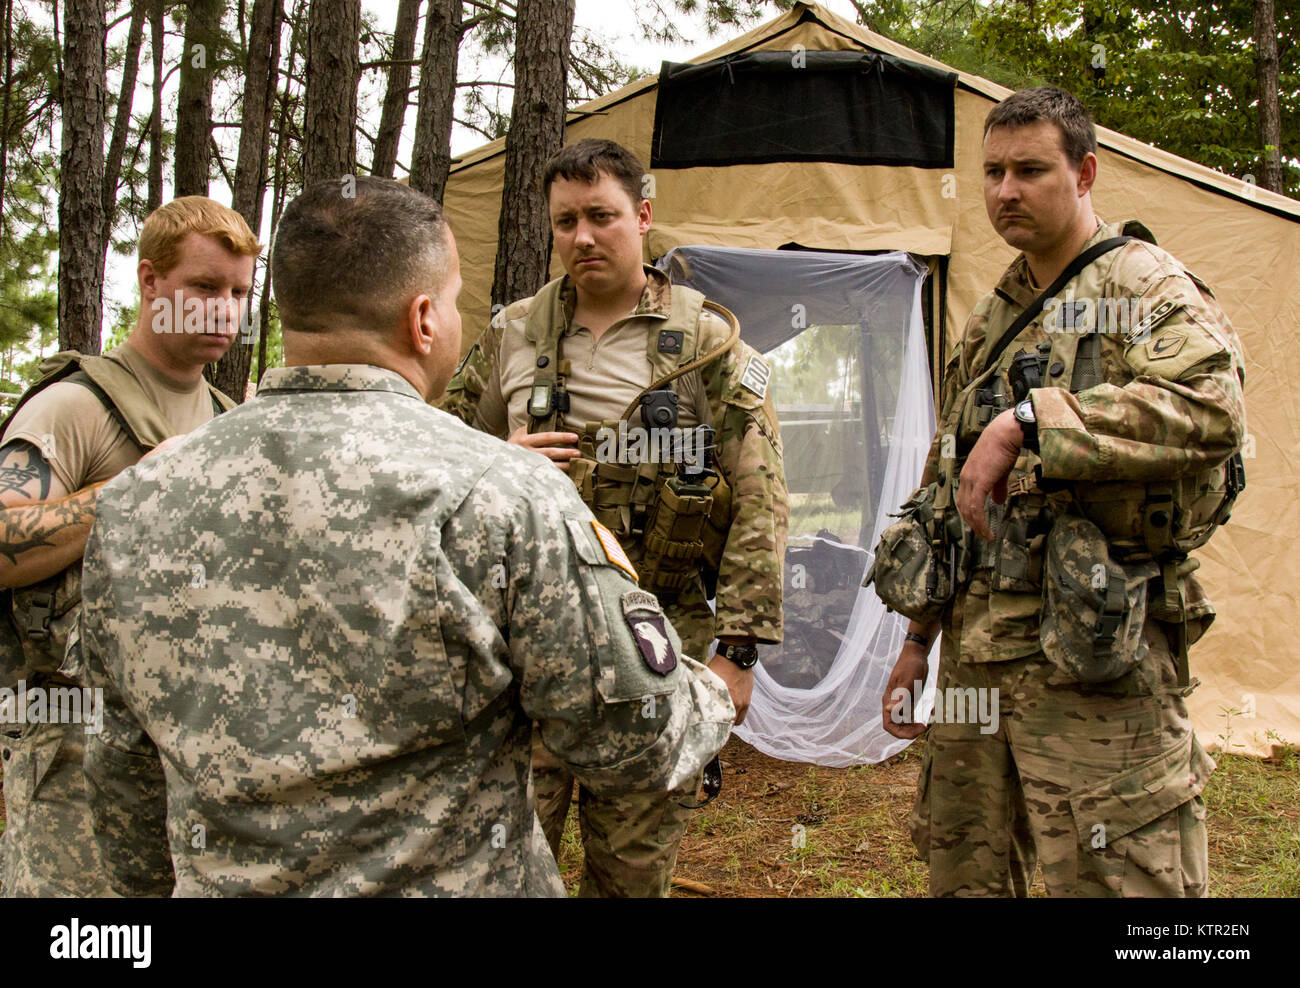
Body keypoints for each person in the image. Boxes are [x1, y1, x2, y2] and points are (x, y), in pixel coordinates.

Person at [73, 175, 734, 897]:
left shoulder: (138, 505)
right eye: (452, 302)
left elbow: (123, 791)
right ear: (424, 320)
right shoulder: (500, 491)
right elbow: (635, 740)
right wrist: (716, 694)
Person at [880, 86, 1246, 897]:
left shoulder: (1142, 284)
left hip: (1093, 667)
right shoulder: (991, 316)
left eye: (1031, 170)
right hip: (978, 669)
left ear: (1084, 173)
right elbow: (952, 490)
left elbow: (1213, 408)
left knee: (1122, 887)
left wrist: (1033, 420)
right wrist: (916, 643)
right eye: (993, 172)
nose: (1006, 190)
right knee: (967, 876)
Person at [441, 138, 787, 897]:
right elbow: (432, 457)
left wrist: (739, 650)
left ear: (643, 215)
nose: (583, 237)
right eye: (565, 222)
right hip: (522, 654)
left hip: (653, 649)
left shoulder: (707, 343)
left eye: (601, 215)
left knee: (631, 875)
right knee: (496, 870)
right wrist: (502, 455)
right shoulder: (513, 333)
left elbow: (761, 498)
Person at [0, 196, 259, 896]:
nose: (224, 311)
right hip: (74, 743)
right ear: (150, 283)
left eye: (239, 293)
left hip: (193, 744)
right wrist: (126, 492)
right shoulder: (75, 406)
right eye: (204, 288)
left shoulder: (227, 419)